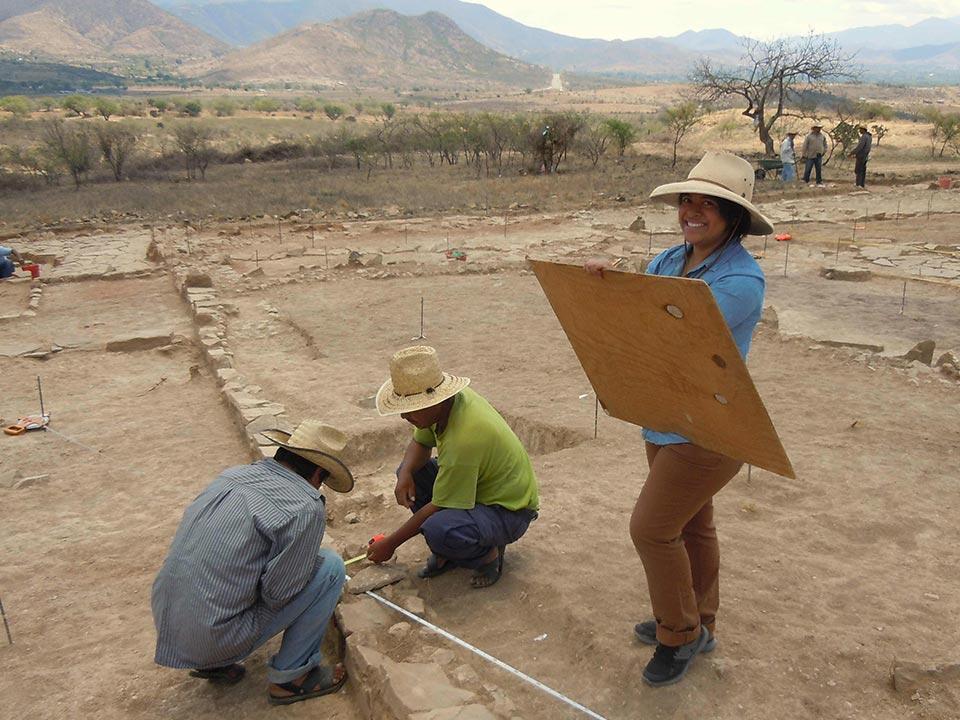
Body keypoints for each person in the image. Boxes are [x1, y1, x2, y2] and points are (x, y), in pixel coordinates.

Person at [585, 152, 769, 688]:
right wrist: (607, 285)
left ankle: (678, 634)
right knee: (693, 525)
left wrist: (632, 310)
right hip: (666, 418)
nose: (692, 211)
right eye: (688, 200)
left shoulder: (741, 281)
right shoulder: (669, 260)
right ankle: (700, 622)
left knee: (651, 529)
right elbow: (636, 315)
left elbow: (668, 335)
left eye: (708, 204)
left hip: (712, 428)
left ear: (733, 217)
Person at [151, 420, 355, 705]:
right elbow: (279, 593)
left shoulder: (233, 476)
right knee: (330, 568)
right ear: (319, 472)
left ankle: (214, 661)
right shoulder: (305, 506)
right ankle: (292, 679)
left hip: (169, 620)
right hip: (212, 637)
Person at [368, 345, 539, 589]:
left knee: (438, 529)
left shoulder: (465, 437)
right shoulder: (443, 407)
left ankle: (487, 556)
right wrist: (405, 473)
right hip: (479, 488)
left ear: (434, 401)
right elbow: (420, 442)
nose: (404, 418)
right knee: (411, 472)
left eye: (409, 410)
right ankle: (451, 551)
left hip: (509, 510)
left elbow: (438, 507)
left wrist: (390, 544)